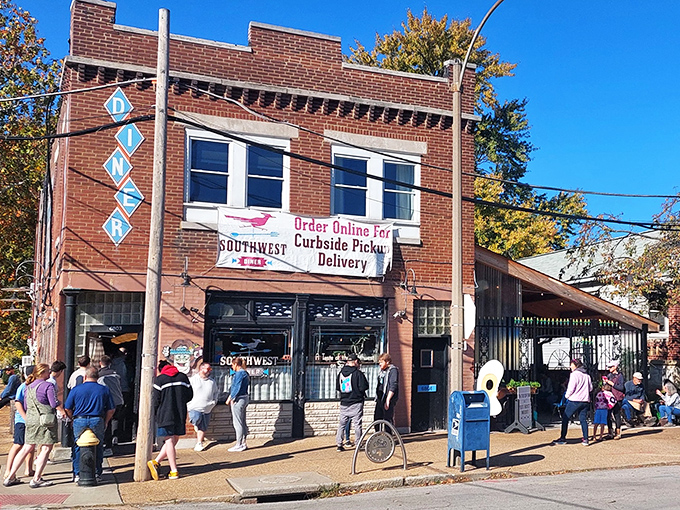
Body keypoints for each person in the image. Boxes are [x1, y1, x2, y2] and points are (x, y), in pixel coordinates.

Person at [4, 363, 65, 488]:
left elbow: (25, 405)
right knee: (46, 448)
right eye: (47, 371)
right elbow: (53, 403)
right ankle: (36, 478)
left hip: (31, 420)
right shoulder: (48, 385)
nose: (49, 373)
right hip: (45, 420)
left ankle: (10, 476)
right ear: (42, 373)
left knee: (27, 447)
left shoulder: (28, 387)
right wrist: (62, 410)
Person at [64, 366, 115, 483]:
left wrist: (72, 419)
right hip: (97, 419)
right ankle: (96, 472)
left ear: (84, 377)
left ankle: (77, 473)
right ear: (98, 377)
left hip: (79, 419)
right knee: (98, 445)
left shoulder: (76, 389)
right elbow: (111, 409)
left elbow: (67, 407)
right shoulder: (104, 389)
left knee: (77, 446)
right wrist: (106, 421)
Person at [147, 360, 193, 480]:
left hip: (165, 413)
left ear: (160, 369)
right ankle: (156, 461)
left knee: (169, 441)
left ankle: (174, 470)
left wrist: (155, 413)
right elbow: (190, 395)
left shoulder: (160, 380)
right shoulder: (183, 377)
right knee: (174, 439)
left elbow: (155, 400)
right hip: (180, 412)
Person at [3, 369, 34, 482]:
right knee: (18, 444)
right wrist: (25, 417)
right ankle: (8, 470)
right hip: (21, 420)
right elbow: (18, 402)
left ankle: (28, 469)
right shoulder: (23, 387)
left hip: (31, 420)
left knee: (31, 444)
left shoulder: (34, 386)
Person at [552, 359, 592, 446]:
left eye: (571, 364)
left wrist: (566, 397)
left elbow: (571, 388)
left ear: (575, 365)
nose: (570, 366)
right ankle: (585, 439)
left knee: (565, 418)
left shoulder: (574, 375)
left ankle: (563, 438)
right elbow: (591, 388)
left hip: (575, 400)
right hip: (585, 400)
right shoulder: (586, 375)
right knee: (583, 419)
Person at [335, 353, 369, 452]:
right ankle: (358, 444)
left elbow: (338, 387)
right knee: (357, 424)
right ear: (355, 362)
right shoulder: (358, 374)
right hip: (356, 402)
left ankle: (339, 444)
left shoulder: (341, 373)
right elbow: (364, 387)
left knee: (341, 424)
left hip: (344, 402)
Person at [187, 362, 218, 452]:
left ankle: (199, 443)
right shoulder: (193, 380)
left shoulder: (212, 381)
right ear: (201, 369)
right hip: (194, 407)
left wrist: (214, 402)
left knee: (203, 427)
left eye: (210, 369)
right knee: (195, 419)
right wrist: (188, 403)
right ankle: (196, 425)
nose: (209, 371)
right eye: (207, 369)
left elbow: (216, 392)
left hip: (207, 408)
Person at [98, 355, 124, 456]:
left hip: (108, 402)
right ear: (110, 363)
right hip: (119, 400)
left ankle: (108, 446)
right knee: (115, 420)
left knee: (106, 423)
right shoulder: (116, 374)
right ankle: (115, 439)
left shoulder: (100, 375)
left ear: (100, 363)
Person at [226, 357, 250, 452]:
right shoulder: (245, 373)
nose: (232, 367)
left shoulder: (239, 373)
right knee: (242, 421)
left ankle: (239, 444)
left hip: (238, 399)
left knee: (238, 423)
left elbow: (236, 387)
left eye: (232, 365)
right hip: (245, 398)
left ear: (236, 364)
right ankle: (243, 442)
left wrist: (230, 398)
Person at [602, 360, 625, 440]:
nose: (609, 368)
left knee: (617, 414)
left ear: (615, 367)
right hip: (609, 398)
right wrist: (605, 383)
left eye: (610, 367)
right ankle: (610, 432)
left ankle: (618, 432)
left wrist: (611, 383)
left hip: (617, 398)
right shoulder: (609, 375)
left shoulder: (620, 376)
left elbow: (621, 388)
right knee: (608, 415)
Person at [374, 353, 399, 426]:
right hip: (380, 398)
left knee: (387, 419)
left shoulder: (393, 370)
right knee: (377, 419)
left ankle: (389, 436)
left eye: (381, 362)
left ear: (387, 362)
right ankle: (378, 436)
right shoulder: (381, 372)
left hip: (388, 398)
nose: (379, 364)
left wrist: (388, 400)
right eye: (379, 362)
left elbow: (393, 385)